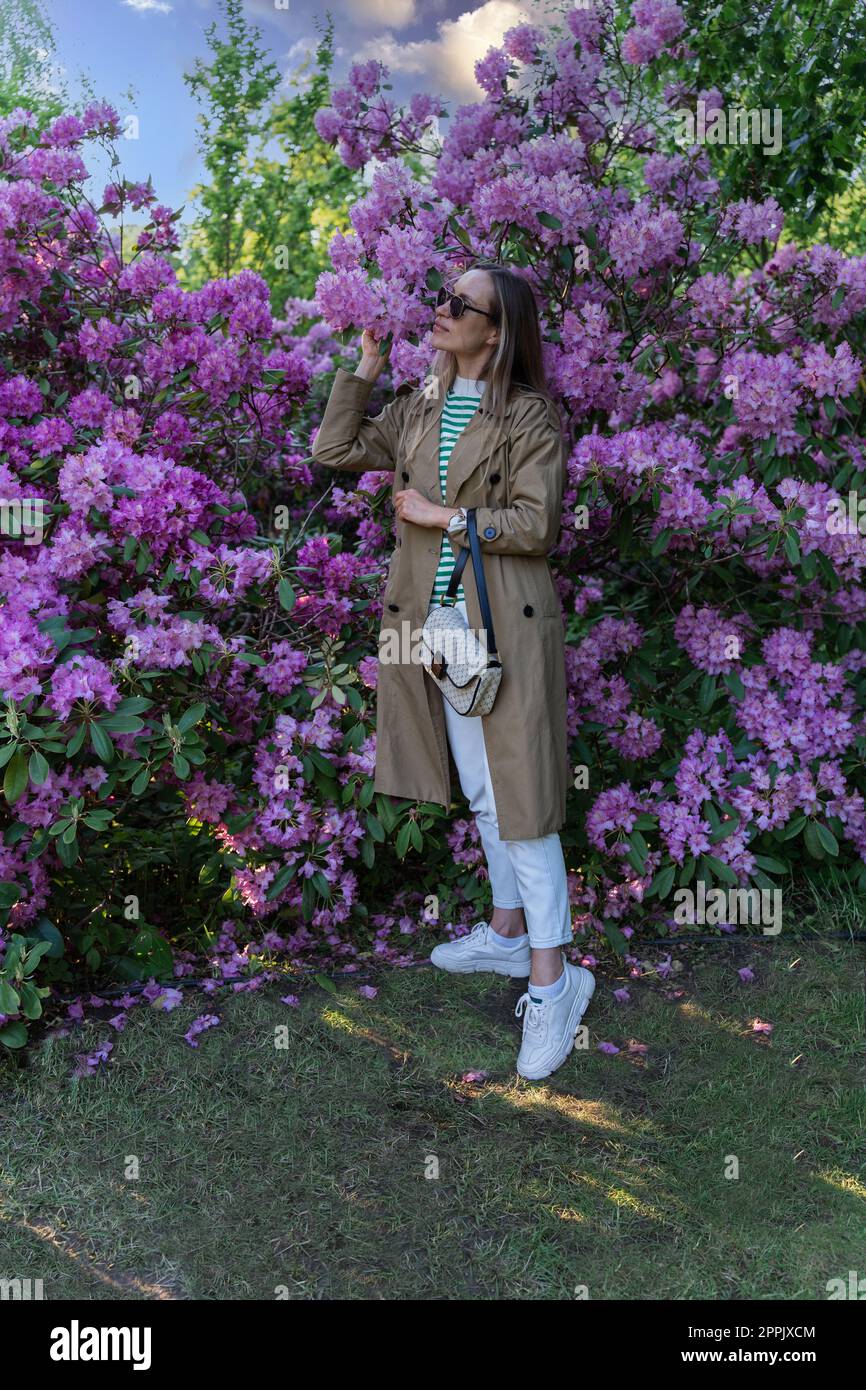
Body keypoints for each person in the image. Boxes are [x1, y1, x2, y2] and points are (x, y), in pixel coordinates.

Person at [311, 262, 595, 1080]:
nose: (439, 309)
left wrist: (442, 515)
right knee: (482, 790)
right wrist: (364, 371)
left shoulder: (530, 416)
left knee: (524, 803)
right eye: (441, 295)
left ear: (495, 331)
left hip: (502, 624)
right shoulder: (422, 403)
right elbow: (334, 450)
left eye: (457, 304)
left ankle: (554, 982)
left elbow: (537, 525)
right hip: (436, 631)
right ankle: (509, 936)